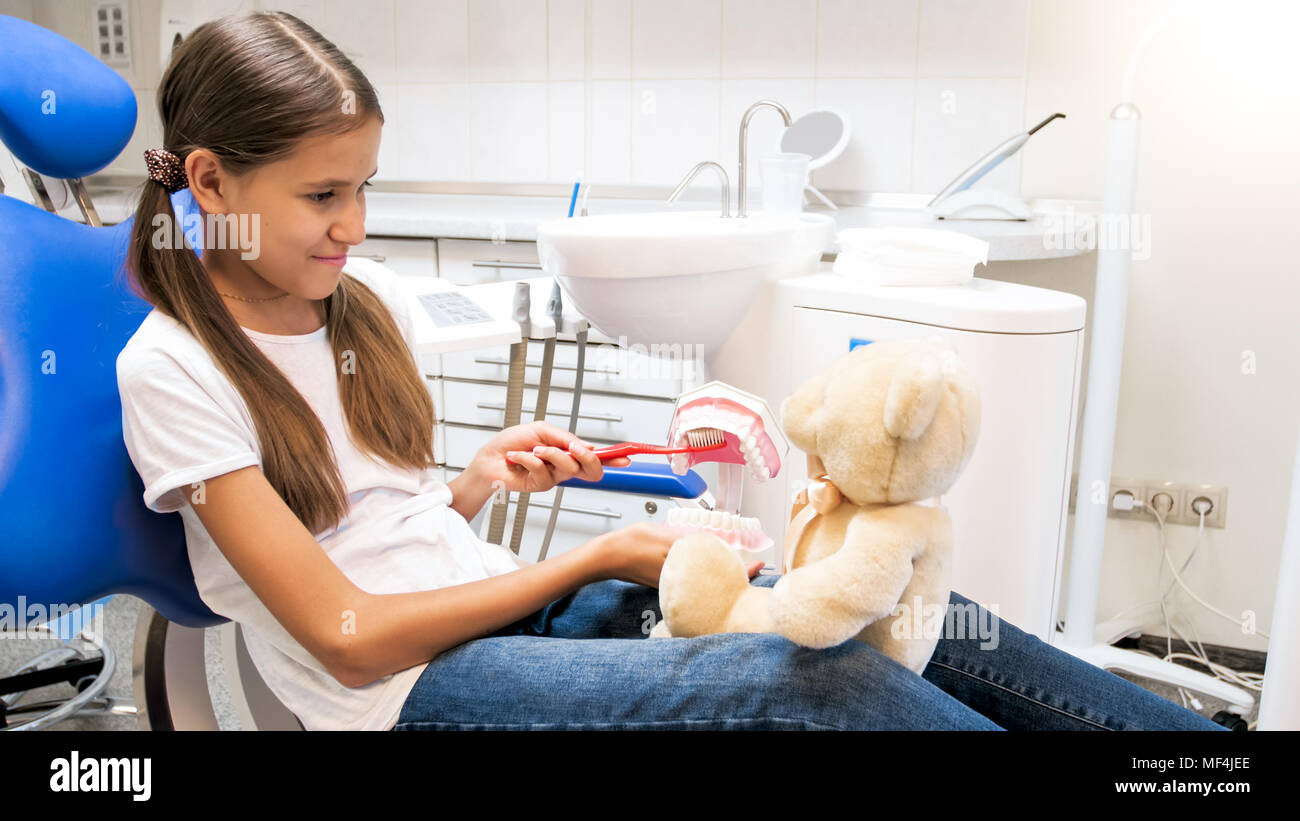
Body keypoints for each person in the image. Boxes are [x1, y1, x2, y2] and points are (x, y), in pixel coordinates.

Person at [117, 11, 1226, 732]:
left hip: (487, 619)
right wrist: (591, 555)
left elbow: (374, 520)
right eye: (323, 195)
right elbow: (344, 634)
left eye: (365, 187)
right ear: (209, 183)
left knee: (876, 603)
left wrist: (475, 486)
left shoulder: (356, 305)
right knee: (807, 685)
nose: (355, 224)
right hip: (409, 692)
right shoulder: (170, 369)